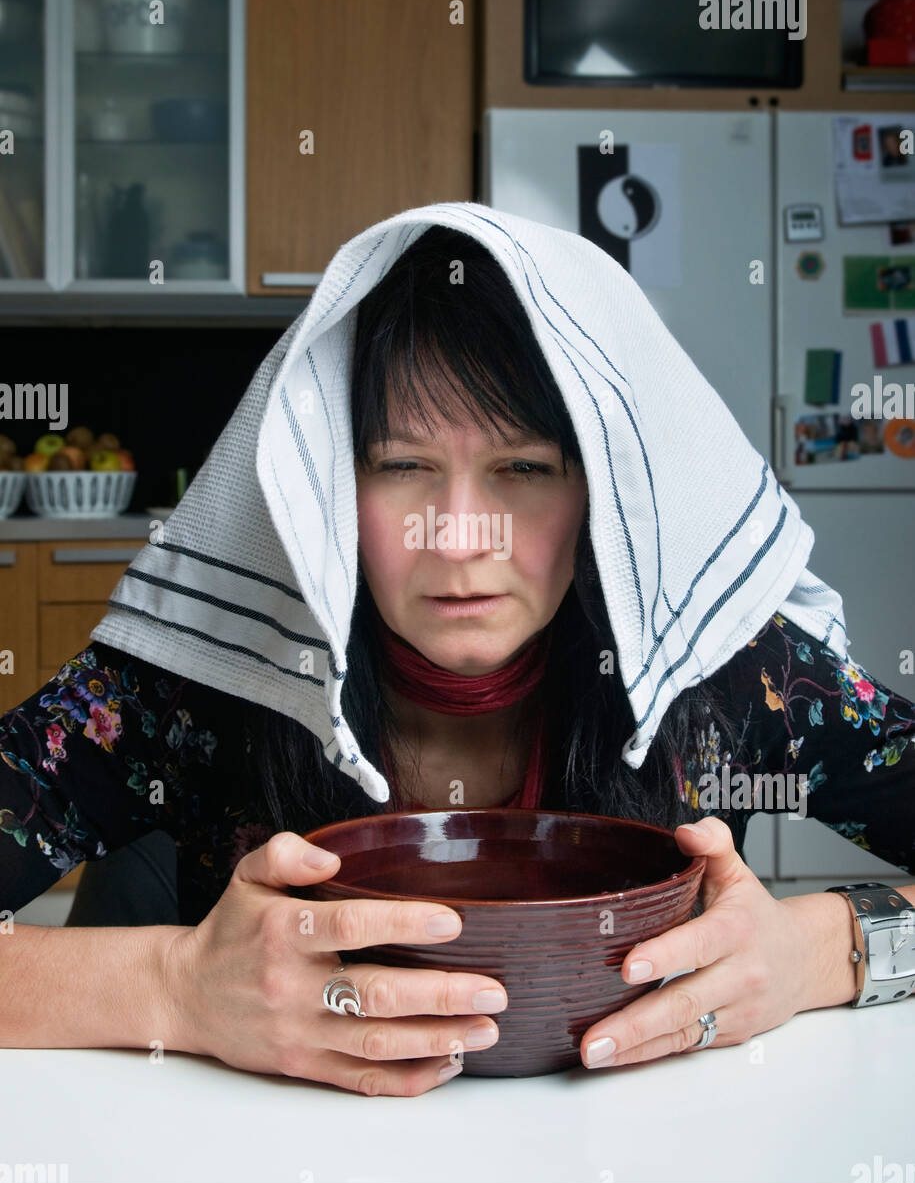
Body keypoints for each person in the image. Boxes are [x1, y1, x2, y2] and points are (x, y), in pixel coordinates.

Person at [1, 207, 914, 1098]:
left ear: (604, 493)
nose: (459, 537)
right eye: (401, 466)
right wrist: (174, 987)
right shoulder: (211, 665)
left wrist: (821, 950)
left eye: (522, 469)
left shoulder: (726, 662)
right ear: (328, 483)